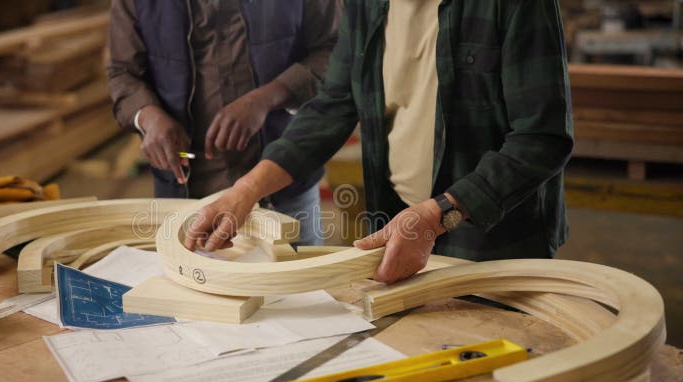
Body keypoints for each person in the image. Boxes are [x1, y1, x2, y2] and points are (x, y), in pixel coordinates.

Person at [185, 0, 574, 282]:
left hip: (490, 235)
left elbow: (542, 139)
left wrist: (439, 216)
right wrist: (247, 189)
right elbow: (333, 106)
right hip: (398, 221)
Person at [106, 0, 343, 245]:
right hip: (186, 194)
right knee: (188, 281)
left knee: (298, 280)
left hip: (284, 183)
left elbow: (336, 49)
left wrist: (268, 96)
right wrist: (148, 115)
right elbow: (122, 73)